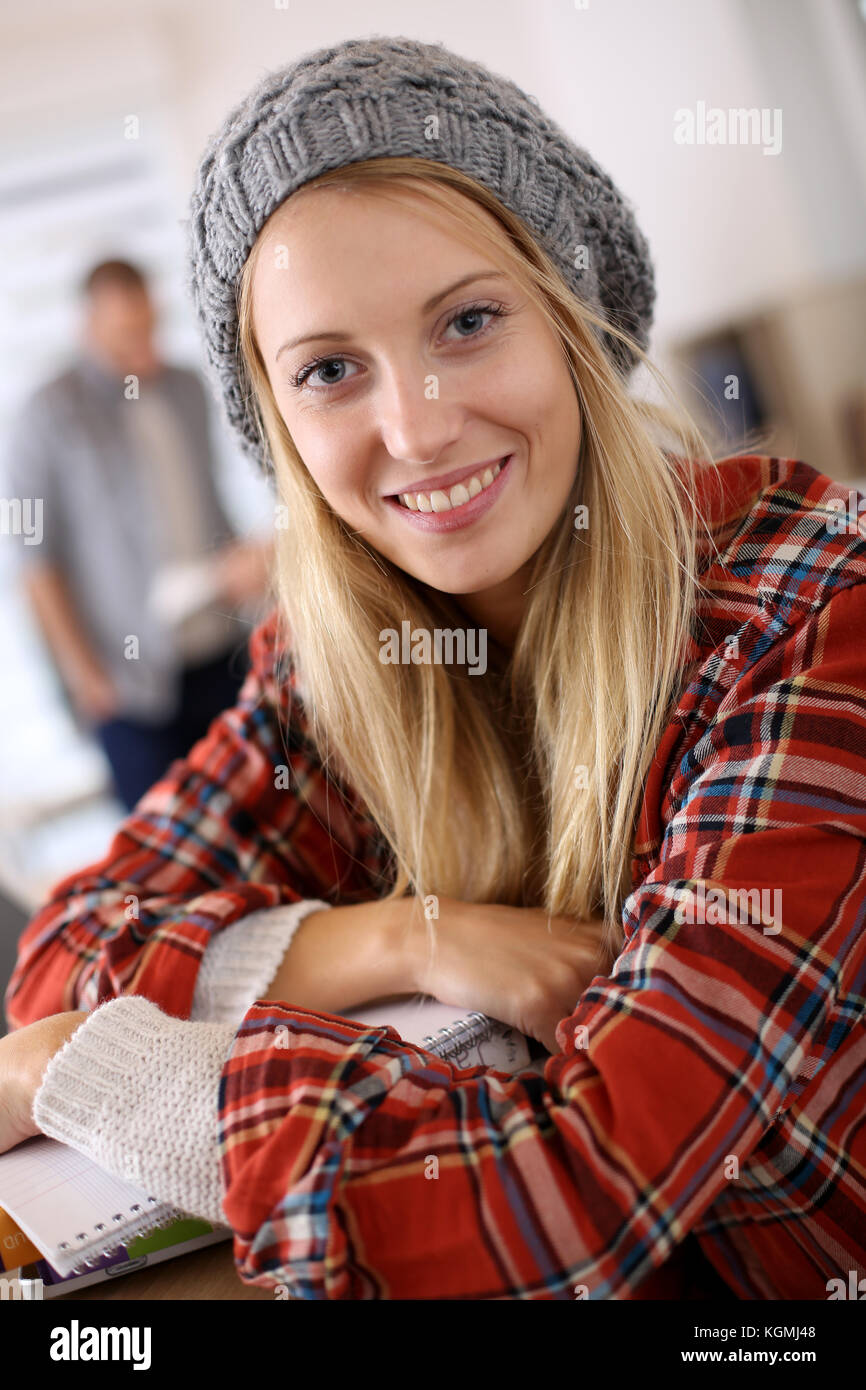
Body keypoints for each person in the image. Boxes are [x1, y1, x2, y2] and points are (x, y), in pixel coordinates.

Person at [2, 36, 865, 1301]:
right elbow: (70, 948)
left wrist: (71, 1068)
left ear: (571, 314)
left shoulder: (810, 612)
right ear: (278, 424)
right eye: (330, 370)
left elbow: (569, 1201)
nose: (413, 427)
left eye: (467, 321)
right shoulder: (330, 662)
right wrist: (411, 937)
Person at [2, 257, 273, 810]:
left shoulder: (185, 388)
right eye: (126, 333)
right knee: (168, 843)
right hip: (129, 683)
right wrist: (86, 678)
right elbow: (34, 559)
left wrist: (246, 561)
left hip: (219, 651)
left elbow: (207, 503)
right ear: (88, 327)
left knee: (260, 808)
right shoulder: (48, 414)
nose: (143, 344)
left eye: (149, 326)